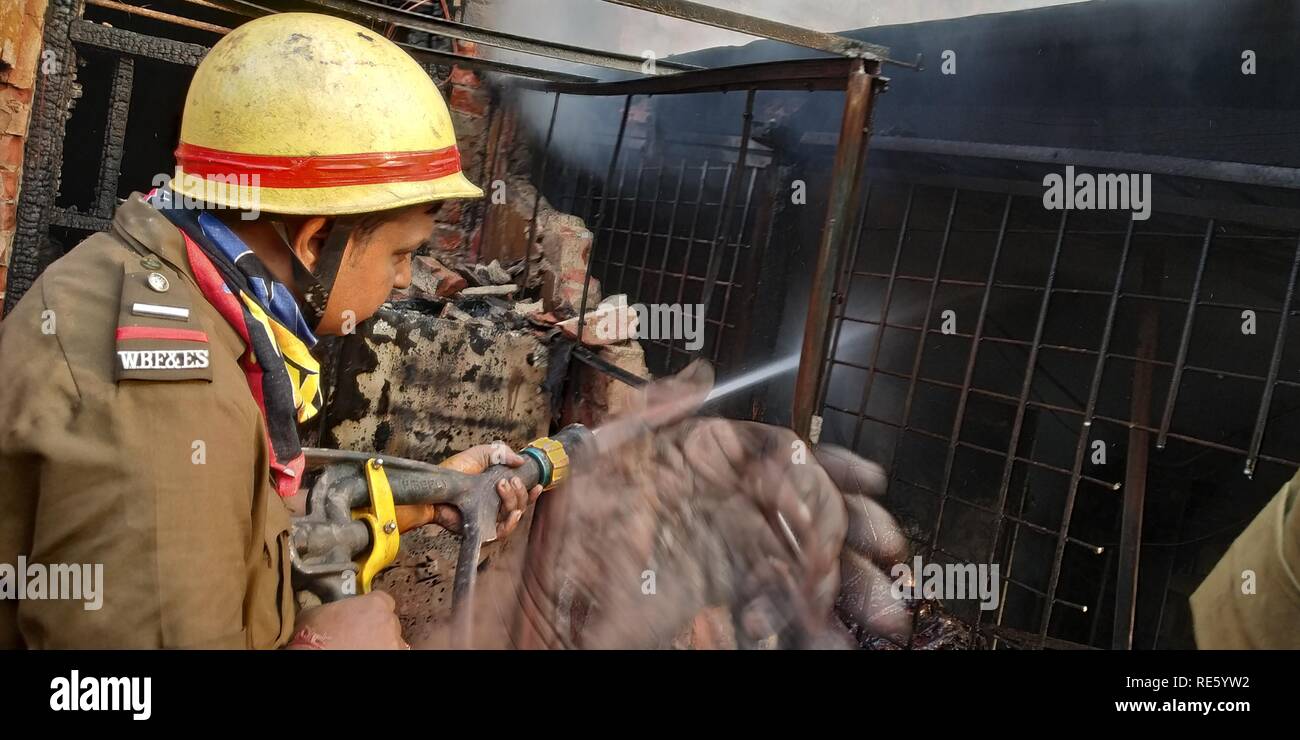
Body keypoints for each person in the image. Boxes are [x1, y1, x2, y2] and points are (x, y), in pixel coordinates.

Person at [0, 12, 540, 649]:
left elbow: (226, 542)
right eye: (401, 253)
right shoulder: (171, 404)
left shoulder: (156, 283)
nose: (404, 280)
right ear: (317, 241)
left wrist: (426, 501)